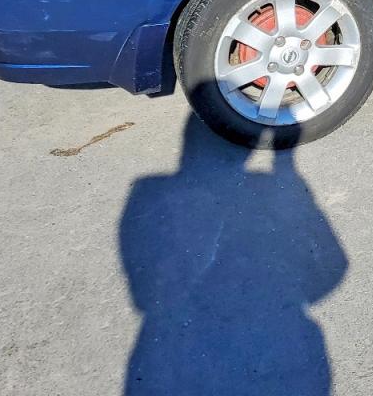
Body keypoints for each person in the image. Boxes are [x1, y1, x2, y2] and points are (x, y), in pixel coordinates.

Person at [120, 117, 347, 395]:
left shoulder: (148, 190)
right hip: (278, 344)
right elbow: (333, 266)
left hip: (167, 351)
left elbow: (143, 290)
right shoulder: (152, 191)